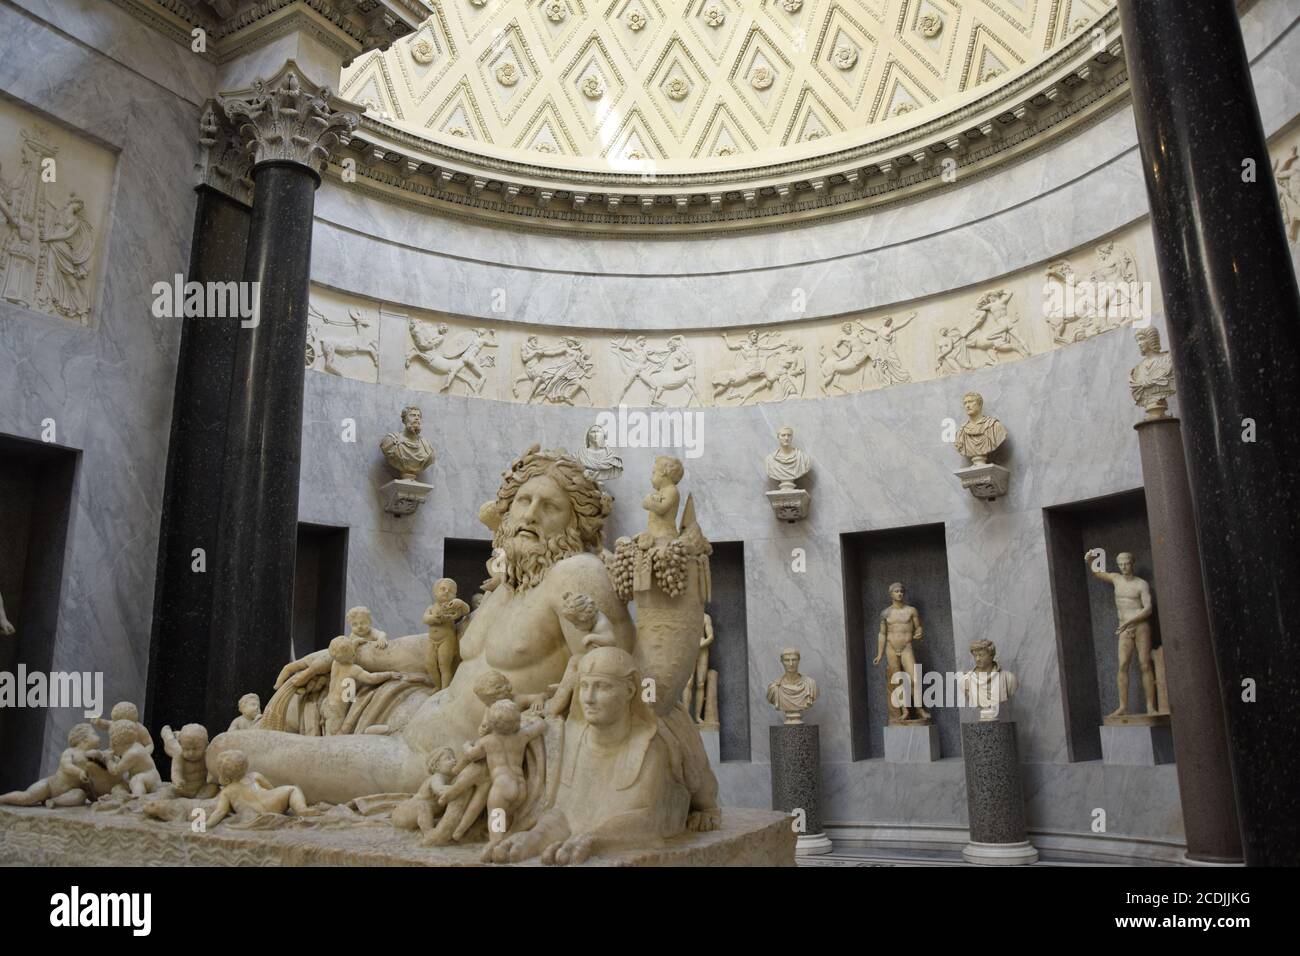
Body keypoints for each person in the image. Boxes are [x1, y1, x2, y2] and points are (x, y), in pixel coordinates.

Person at [1086, 550, 1156, 717]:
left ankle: (1150, 706)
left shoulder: (1141, 584)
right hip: (1124, 628)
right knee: (1123, 665)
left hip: (1140, 626)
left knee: (1145, 664)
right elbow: (1098, 573)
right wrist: (1090, 561)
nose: (1124, 567)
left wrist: (1130, 621)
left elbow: (1148, 609)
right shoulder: (1116, 579)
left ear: (1132, 564)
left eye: (1127, 563)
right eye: (1121, 564)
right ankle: (1123, 706)